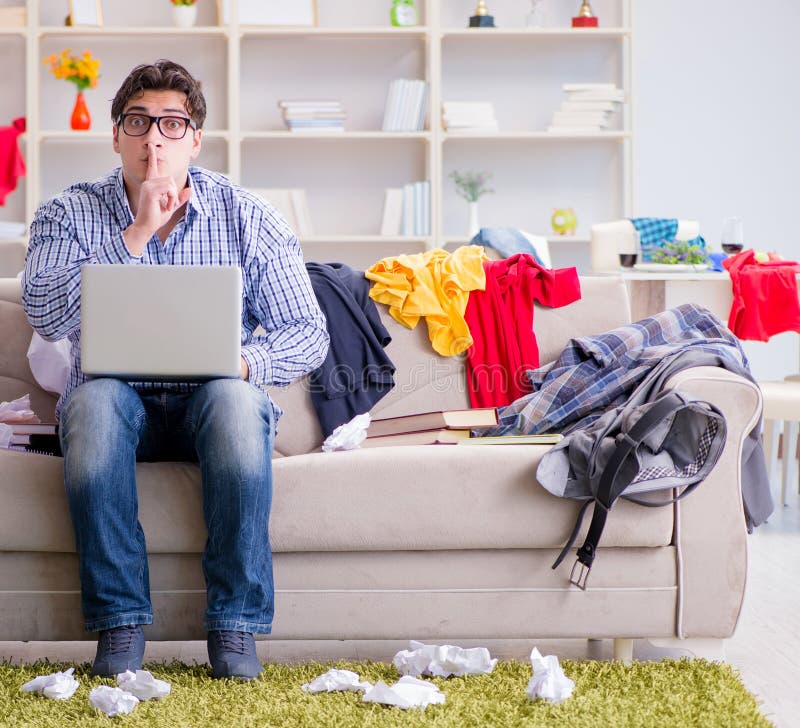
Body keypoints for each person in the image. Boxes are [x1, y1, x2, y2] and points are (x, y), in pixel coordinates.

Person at [22, 60, 329, 680]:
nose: (153, 138)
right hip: (115, 402)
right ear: (116, 136)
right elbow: (46, 311)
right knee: (93, 404)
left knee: (238, 401)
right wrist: (136, 234)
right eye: (137, 122)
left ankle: (236, 626)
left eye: (171, 124)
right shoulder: (67, 213)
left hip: (212, 404)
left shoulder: (248, 215)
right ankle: (120, 623)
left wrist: (244, 361)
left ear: (195, 139)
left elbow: (308, 333)